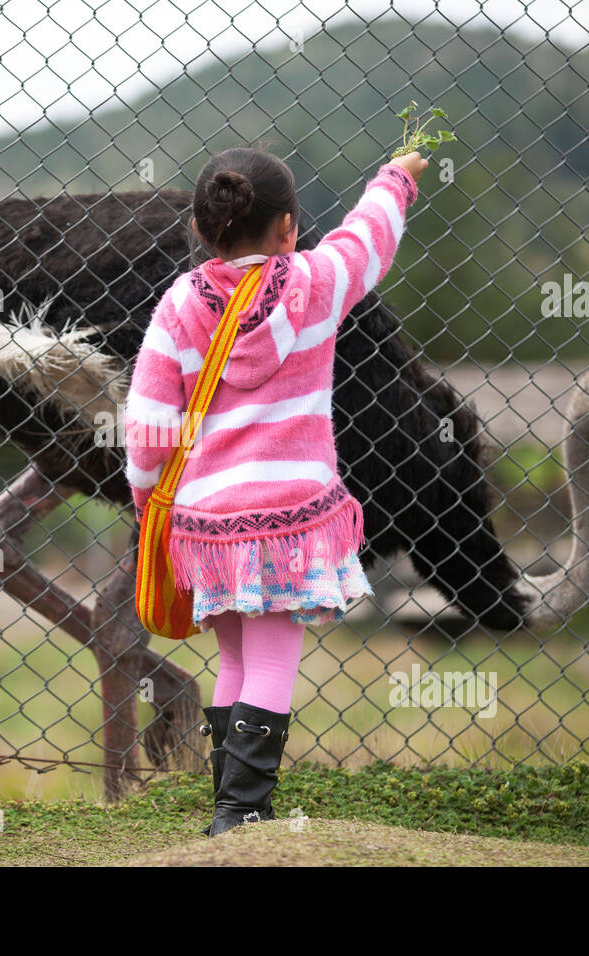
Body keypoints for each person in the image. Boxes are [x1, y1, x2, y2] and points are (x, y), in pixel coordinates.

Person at [124, 146, 425, 836]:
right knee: (269, 661)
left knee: (235, 656)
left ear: (204, 230)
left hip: (206, 525)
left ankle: (230, 811)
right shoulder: (319, 281)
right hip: (288, 523)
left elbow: (146, 432)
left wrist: (151, 509)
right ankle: (242, 812)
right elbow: (368, 238)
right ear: (290, 227)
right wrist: (396, 177)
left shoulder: (177, 308)